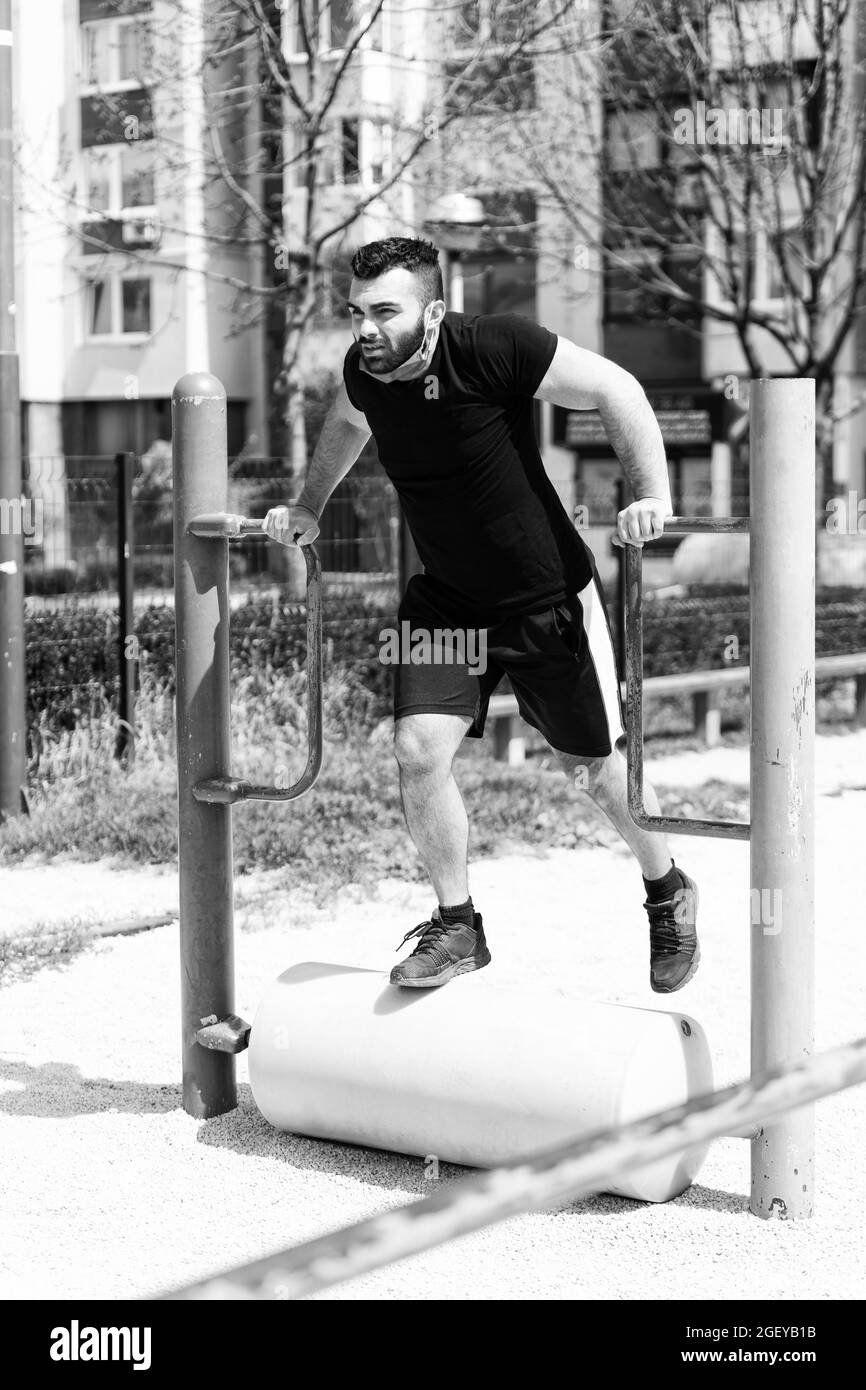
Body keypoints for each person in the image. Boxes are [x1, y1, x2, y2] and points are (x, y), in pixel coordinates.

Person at [264, 236, 699, 994]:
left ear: (433, 311)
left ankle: (667, 889)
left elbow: (618, 388)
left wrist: (650, 494)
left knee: (596, 772)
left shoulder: (495, 346)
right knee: (417, 751)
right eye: (357, 312)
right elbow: (346, 424)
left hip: (545, 597)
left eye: (385, 312)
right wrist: (308, 505)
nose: (366, 329)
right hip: (448, 601)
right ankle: (458, 923)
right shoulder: (365, 372)